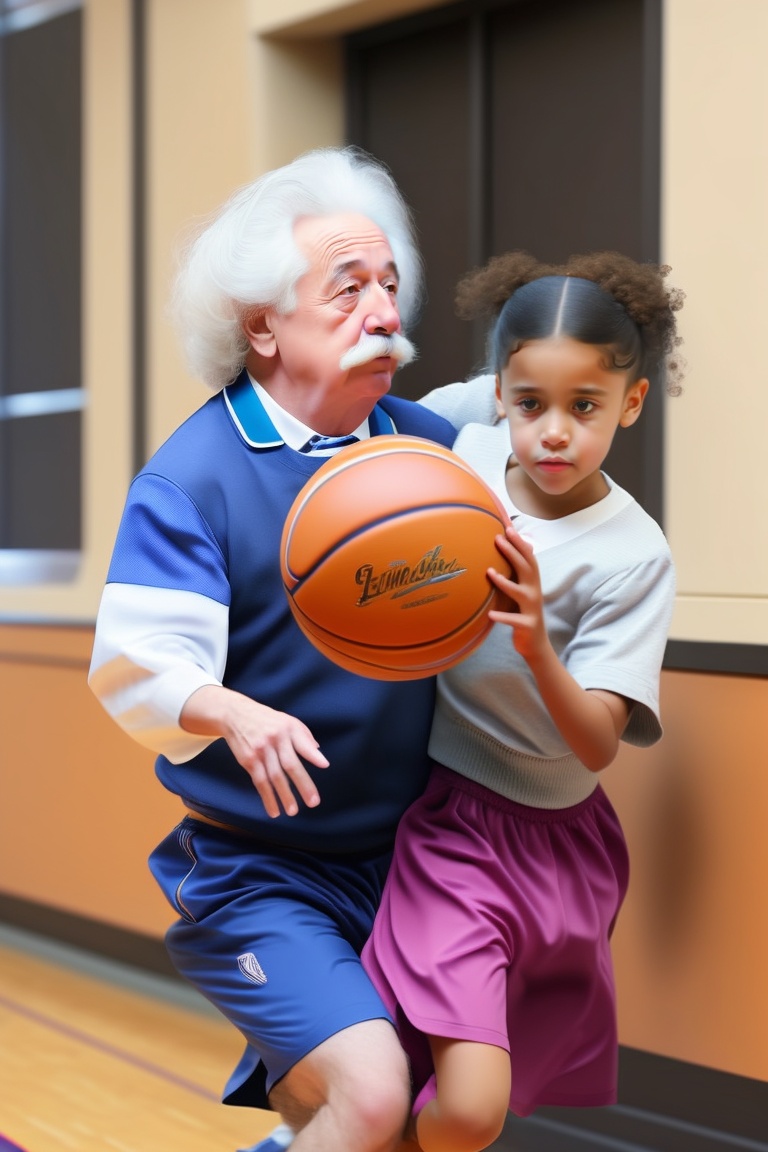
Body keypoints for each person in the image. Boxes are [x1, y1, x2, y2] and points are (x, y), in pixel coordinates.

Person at [87, 146, 462, 1152]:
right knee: (371, 1098)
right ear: (261, 324)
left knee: (419, 1119)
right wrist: (231, 709)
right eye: (347, 291)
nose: (384, 313)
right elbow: (134, 664)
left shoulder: (433, 451)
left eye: (389, 286)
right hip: (262, 869)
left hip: (419, 860)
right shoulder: (194, 478)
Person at [359, 250, 685, 1152]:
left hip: (563, 847)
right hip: (453, 825)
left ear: (630, 404)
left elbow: (595, 745)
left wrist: (538, 643)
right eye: (529, 403)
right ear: (498, 392)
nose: (551, 432)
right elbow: (374, 405)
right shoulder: (462, 455)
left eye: (584, 408)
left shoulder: (633, 554)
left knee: (465, 1109)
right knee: (467, 1106)